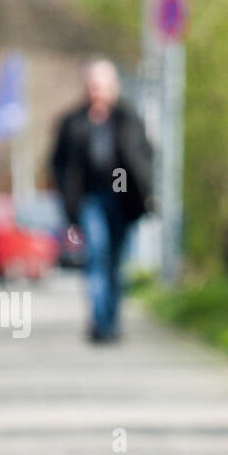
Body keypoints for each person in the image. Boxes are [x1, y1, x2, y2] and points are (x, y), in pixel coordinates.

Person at [51, 60, 153, 342]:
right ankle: (99, 323)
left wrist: (147, 192)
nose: (96, 91)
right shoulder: (73, 122)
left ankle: (112, 318)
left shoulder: (127, 117)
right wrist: (68, 200)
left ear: (113, 87)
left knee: (116, 262)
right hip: (90, 198)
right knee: (97, 254)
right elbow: (60, 165)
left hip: (123, 198)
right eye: (92, 85)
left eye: (101, 85)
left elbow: (144, 156)